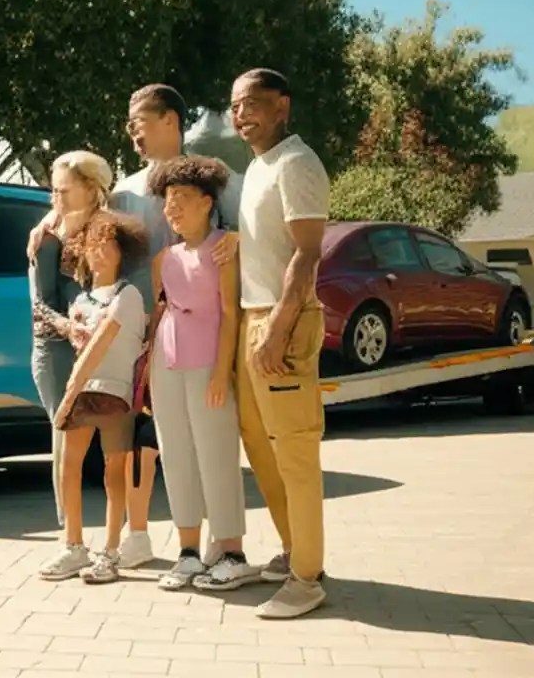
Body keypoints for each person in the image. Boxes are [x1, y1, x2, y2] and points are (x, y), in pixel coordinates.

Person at [29, 84, 243, 569]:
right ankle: (145, 537)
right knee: (149, 443)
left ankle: (222, 544)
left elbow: (246, 236)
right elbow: (78, 209)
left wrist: (241, 240)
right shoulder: (125, 190)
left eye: (138, 123)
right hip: (139, 339)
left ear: (170, 120)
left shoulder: (216, 181)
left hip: (206, 337)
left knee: (207, 440)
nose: (132, 135)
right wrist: (44, 221)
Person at [229, 68, 330, 619]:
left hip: (283, 319)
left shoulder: (297, 163)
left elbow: (307, 253)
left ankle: (307, 579)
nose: (241, 114)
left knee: (294, 451)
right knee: (257, 440)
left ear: (282, 106)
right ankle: (295, 548)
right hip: (253, 315)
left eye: (252, 103)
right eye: (235, 106)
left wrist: (280, 325)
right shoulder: (257, 167)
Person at [144, 156, 260, 592]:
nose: (171, 208)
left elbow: (231, 315)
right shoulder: (163, 259)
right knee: (176, 456)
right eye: (167, 200)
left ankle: (231, 550)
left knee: (216, 454)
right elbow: (161, 313)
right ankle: (189, 552)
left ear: (207, 202)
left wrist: (220, 372)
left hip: (208, 361)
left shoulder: (224, 249)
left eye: (182, 199)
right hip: (167, 363)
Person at [40, 208, 150, 584]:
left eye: (107, 246)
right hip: (84, 390)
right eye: (91, 246)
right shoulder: (80, 302)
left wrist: (68, 396)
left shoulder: (129, 295)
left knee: (112, 473)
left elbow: (99, 348)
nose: (99, 253)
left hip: (114, 395)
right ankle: (74, 545)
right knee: (68, 467)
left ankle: (110, 552)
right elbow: (79, 344)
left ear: (123, 252)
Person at [30, 151, 104, 527]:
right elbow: (39, 304)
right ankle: (69, 535)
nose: (57, 200)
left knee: (100, 442)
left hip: (96, 341)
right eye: (53, 192)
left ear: (91, 189)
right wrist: (69, 327)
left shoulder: (102, 227)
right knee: (64, 437)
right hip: (56, 347)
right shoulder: (46, 238)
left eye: (65, 191)